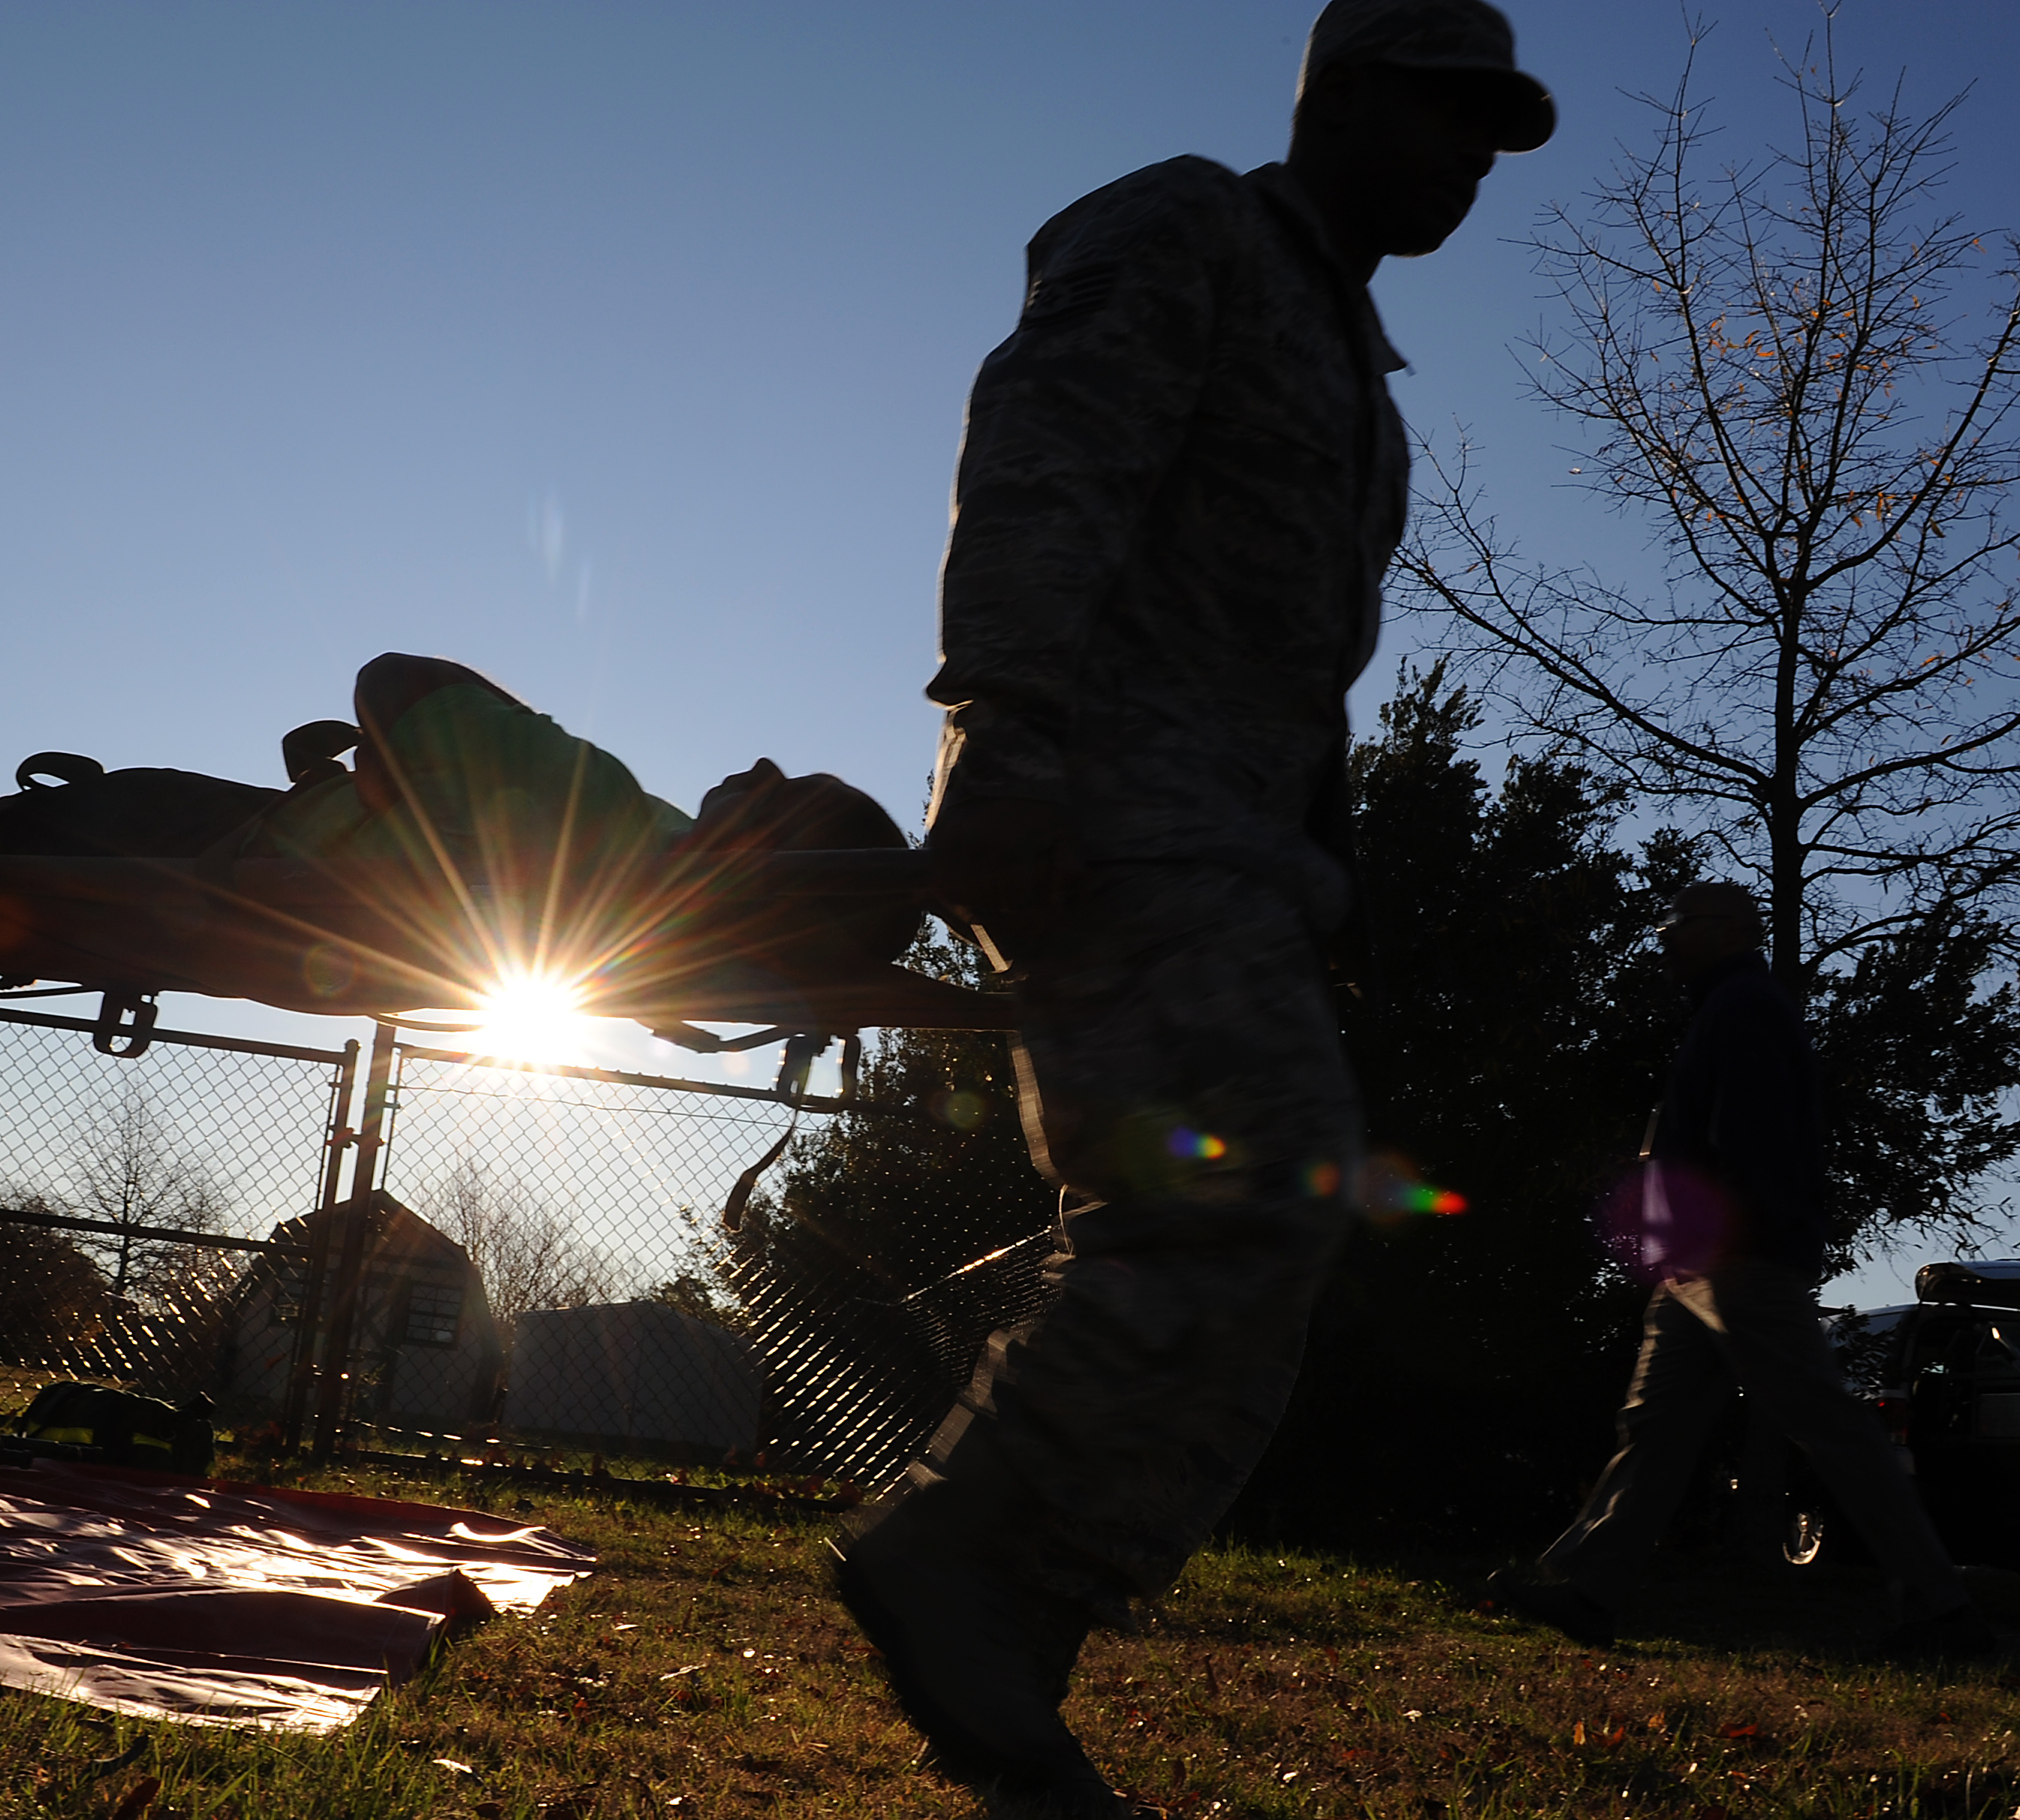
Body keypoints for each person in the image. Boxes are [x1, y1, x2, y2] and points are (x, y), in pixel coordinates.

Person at [833, 2, 1554, 1810]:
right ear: (1345, 92)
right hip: (1095, 801)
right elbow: (1045, 458)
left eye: (1497, 134)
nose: (1474, 160)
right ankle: (946, 1562)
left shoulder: (1358, 369)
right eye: (1451, 115)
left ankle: (1013, 1680)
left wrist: (1336, 864)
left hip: (1229, 842)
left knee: (1229, 1232)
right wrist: (1007, 733)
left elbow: (1301, 663)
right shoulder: (1187, 231)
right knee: (1245, 1189)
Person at [1487, 883, 1995, 1659]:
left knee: (1826, 1423)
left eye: (1675, 923)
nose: (1662, 936)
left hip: (1737, 1254)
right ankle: (1590, 1591)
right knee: (1654, 1426)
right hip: (1701, 1262)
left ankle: (1942, 1612)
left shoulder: (1745, 1008)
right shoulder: (1725, 1008)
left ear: (1723, 931)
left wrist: (1722, 1231)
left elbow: (1751, 1138)